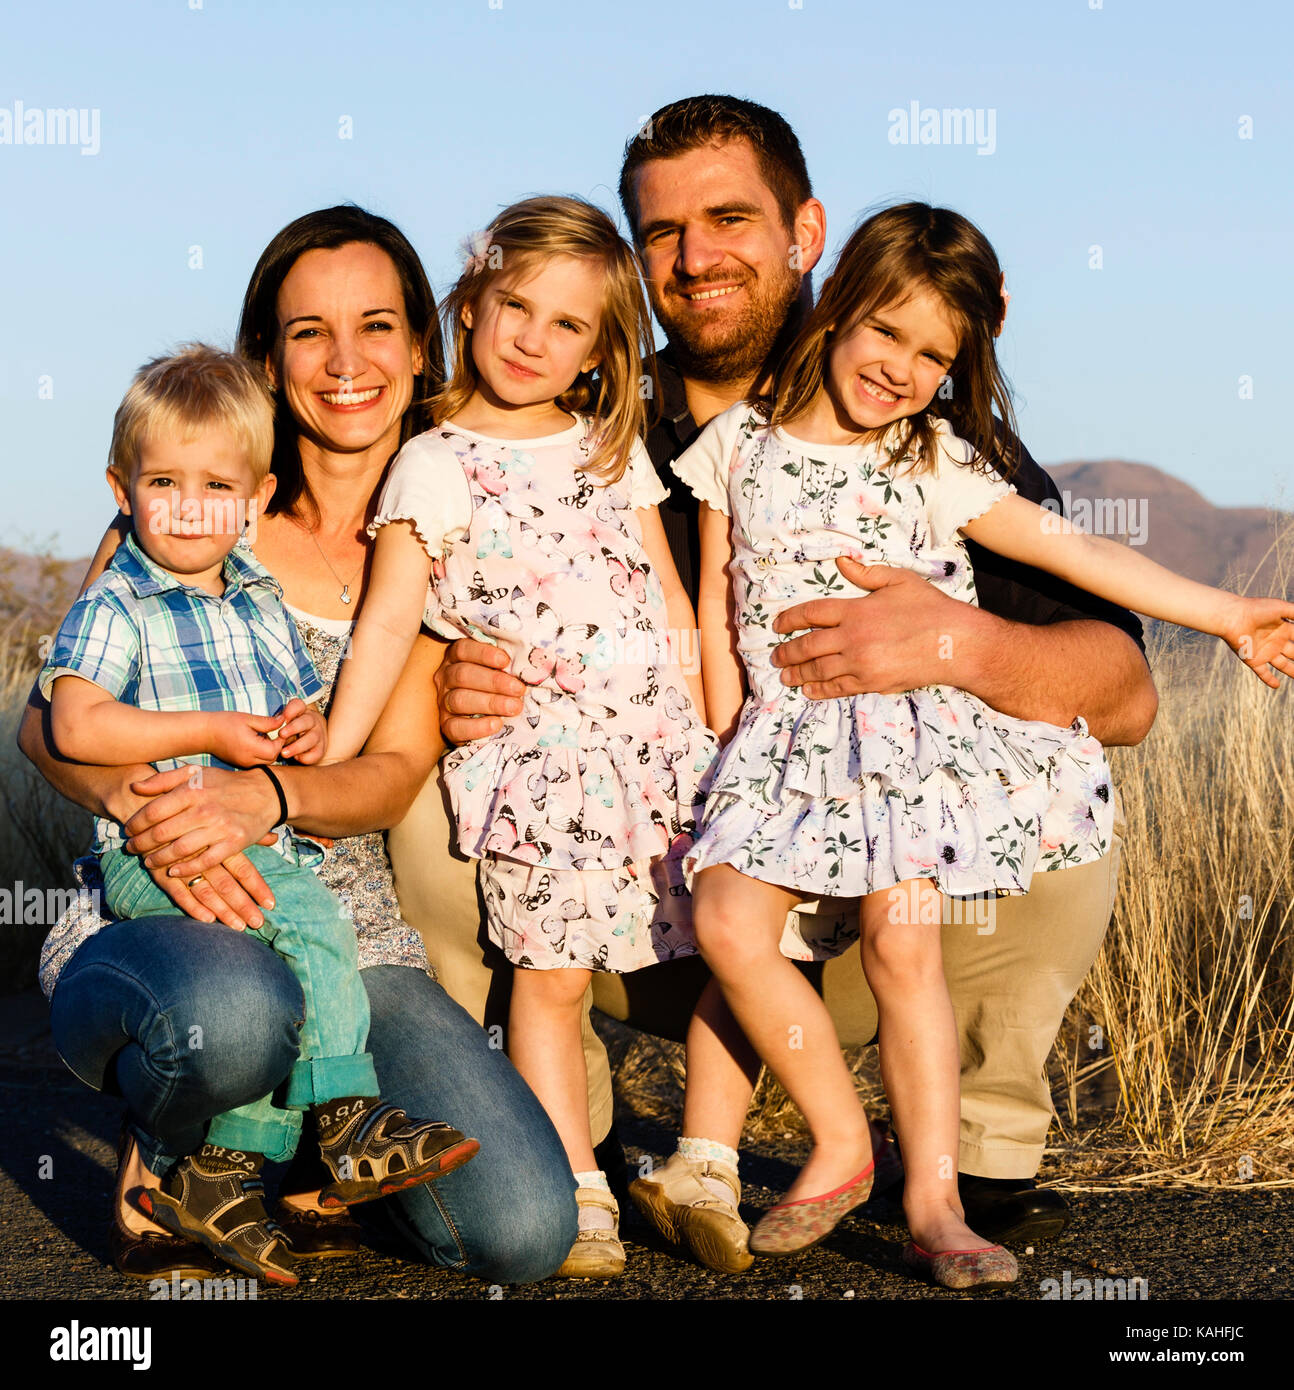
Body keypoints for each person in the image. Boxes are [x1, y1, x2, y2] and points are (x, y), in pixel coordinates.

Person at [435, 94, 1161, 1270]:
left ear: (806, 233)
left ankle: (968, 1154)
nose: (696, 256)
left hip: (871, 881)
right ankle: (557, 1130)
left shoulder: (910, 421)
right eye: (662, 232)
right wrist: (449, 685)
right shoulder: (579, 427)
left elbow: (1124, 695)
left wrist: (953, 644)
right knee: (444, 811)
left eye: (730, 218)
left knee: (1061, 796)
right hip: (649, 875)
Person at [668, 200, 1294, 1288]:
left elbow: (1078, 554)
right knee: (726, 919)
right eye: (887, 333)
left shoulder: (934, 459)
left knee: (907, 953)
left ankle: (936, 1206)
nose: (903, 369)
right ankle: (842, 1137)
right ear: (836, 308)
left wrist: (1224, 615)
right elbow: (715, 602)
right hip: (777, 742)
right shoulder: (739, 445)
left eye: (934, 355)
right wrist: (725, 720)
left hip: (903, 749)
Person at [18, 206, 577, 1287]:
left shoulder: (436, 533)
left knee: (521, 1227)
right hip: (176, 889)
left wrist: (264, 796)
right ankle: (185, 1139)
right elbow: (53, 723)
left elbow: (388, 774)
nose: (346, 361)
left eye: (376, 325)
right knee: (231, 1009)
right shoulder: (196, 500)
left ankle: (314, 1148)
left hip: (343, 923)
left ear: (422, 344)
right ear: (268, 356)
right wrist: (165, 816)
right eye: (307, 331)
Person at [323, 196, 738, 1276]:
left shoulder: (612, 449)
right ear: (473, 301)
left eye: (565, 326)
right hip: (544, 764)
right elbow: (381, 626)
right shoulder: (435, 460)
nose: (528, 339)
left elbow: (674, 595)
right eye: (513, 306)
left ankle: (706, 1162)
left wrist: (715, 724)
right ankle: (583, 1193)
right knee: (546, 980)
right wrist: (324, 760)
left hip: (663, 752)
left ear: (600, 354)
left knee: (734, 952)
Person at [38, 344, 480, 1285]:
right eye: (165, 482)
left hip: (267, 842)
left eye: (214, 486)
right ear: (122, 488)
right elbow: (69, 721)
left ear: (253, 497)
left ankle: (229, 1170)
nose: (190, 506)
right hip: (154, 842)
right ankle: (344, 1118)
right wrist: (210, 735)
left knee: (308, 946)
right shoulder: (123, 597)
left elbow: (298, 728)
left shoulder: (256, 598)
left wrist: (300, 732)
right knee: (302, 940)